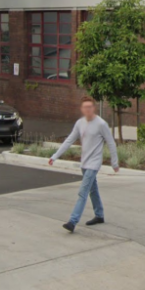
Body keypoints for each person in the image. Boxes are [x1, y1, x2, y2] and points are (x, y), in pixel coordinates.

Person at [49, 96, 119, 232]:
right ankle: (99, 215)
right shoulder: (79, 123)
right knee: (93, 190)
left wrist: (114, 162)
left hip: (94, 163)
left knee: (83, 192)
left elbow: (111, 142)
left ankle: (72, 221)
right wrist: (55, 156)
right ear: (81, 109)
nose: (87, 109)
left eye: (90, 107)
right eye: (85, 107)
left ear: (94, 108)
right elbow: (69, 140)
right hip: (84, 163)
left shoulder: (101, 124)